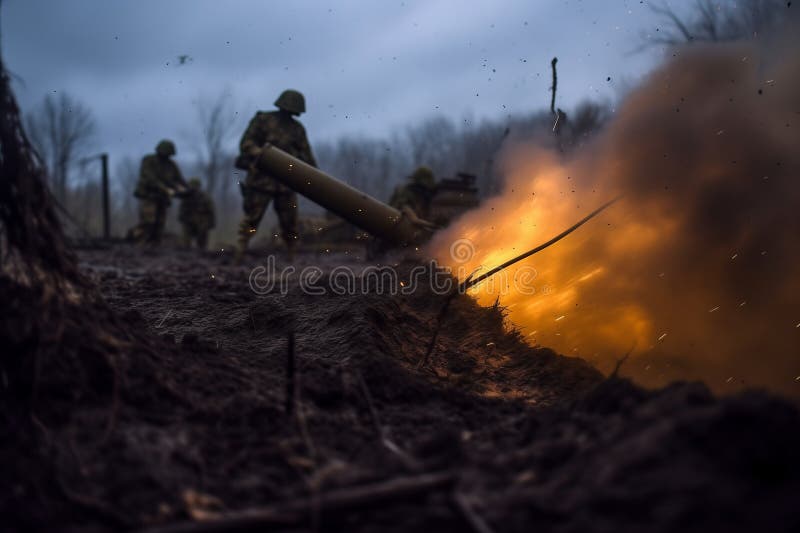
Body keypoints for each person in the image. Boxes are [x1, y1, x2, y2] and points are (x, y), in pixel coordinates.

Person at [235, 89, 316, 261]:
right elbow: (246, 143)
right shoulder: (263, 120)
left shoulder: (297, 129)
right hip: (261, 180)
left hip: (286, 183)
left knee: (290, 224)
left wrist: (311, 176)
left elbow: (307, 158)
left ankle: (291, 255)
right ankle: (239, 252)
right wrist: (260, 153)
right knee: (251, 220)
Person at [129, 140, 186, 246]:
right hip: (149, 196)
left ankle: (154, 248)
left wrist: (183, 188)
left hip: (162, 198)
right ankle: (136, 242)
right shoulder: (149, 160)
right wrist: (165, 188)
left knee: (159, 225)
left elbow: (179, 179)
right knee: (148, 222)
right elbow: (149, 178)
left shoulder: (171, 165)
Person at [178, 177, 215, 249]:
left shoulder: (205, 197)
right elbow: (182, 209)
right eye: (192, 186)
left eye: (195, 186)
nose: (194, 188)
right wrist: (182, 218)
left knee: (202, 244)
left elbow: (211, 211)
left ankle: (200, 254)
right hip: (188, 221)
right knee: (185, 243)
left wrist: (210, 223)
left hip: (201, 222)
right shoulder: (186, 197)